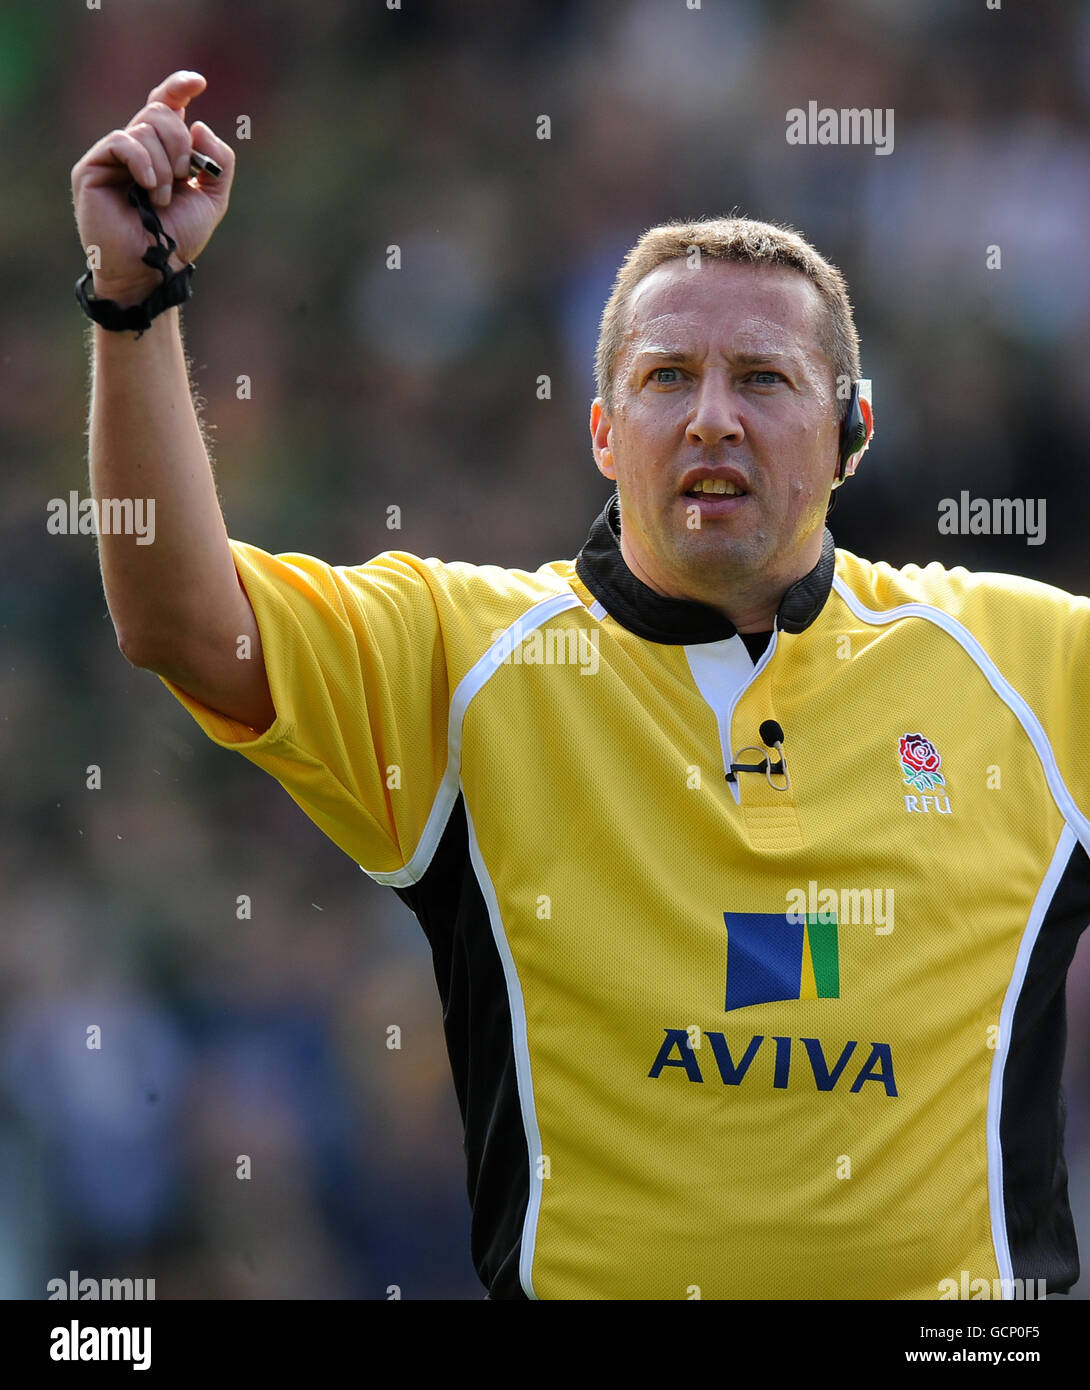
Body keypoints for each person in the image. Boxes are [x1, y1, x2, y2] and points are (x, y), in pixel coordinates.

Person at [73, 70, 1087, 1302]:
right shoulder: (466, 656)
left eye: (763, 380)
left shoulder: (1030, 664)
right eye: (667, 379)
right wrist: (134, 306)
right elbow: (177, 621)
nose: (712, 418)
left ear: (852, 431)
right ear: (604, 433)